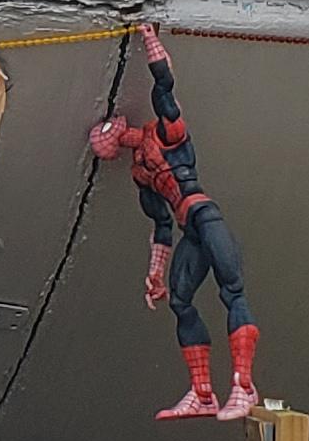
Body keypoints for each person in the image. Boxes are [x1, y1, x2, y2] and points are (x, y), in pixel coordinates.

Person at [88, 24, 262, 420]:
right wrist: (155, 274)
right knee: (181, 301)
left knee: (232, 291)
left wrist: (150, 40)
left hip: (204, 215)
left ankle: (244, 386)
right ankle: (202, 393)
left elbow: (165, 86)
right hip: (190, 231)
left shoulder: (166, 135)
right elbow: (161, 226)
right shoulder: (141, 173)